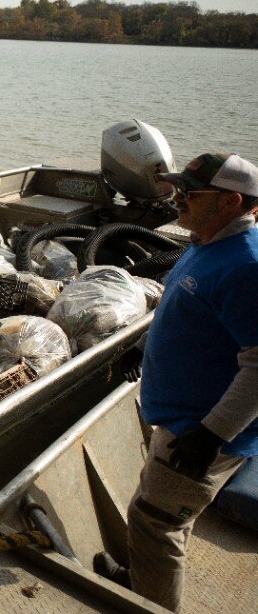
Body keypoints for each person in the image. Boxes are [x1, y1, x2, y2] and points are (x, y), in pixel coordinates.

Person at [99, 152, 258, 611]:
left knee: (157, 524)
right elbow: (185, 313)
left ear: (231, 201)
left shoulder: (246, 267)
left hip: (201, 430)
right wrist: (142, 348)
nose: (177, 198)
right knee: (154, 507)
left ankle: (151, 603)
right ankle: (141, 577)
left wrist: (212, 435)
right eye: (177, 187)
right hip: (179, 418)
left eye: (190, 192)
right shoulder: (205, 241)